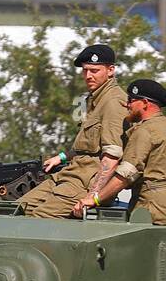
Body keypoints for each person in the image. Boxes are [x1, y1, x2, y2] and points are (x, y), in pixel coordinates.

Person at [21, 43, 126, 220]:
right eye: (85, 71)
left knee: (37, 220)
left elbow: (112, 157)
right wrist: (60, 158)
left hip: (83, 184)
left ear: (111, 70)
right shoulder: (92, 100)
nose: (88, 76)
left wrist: (93, 196)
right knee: (13, 211)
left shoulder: (113, 102)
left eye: (94, 70)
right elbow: (86, 146)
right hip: (69, 175)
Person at [79, 79, 166, 230]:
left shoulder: (145, 131)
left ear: (144, 103)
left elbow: (126, 174)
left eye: (131, 100)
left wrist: (95, 199)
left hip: (152, 208)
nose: (126, 104)